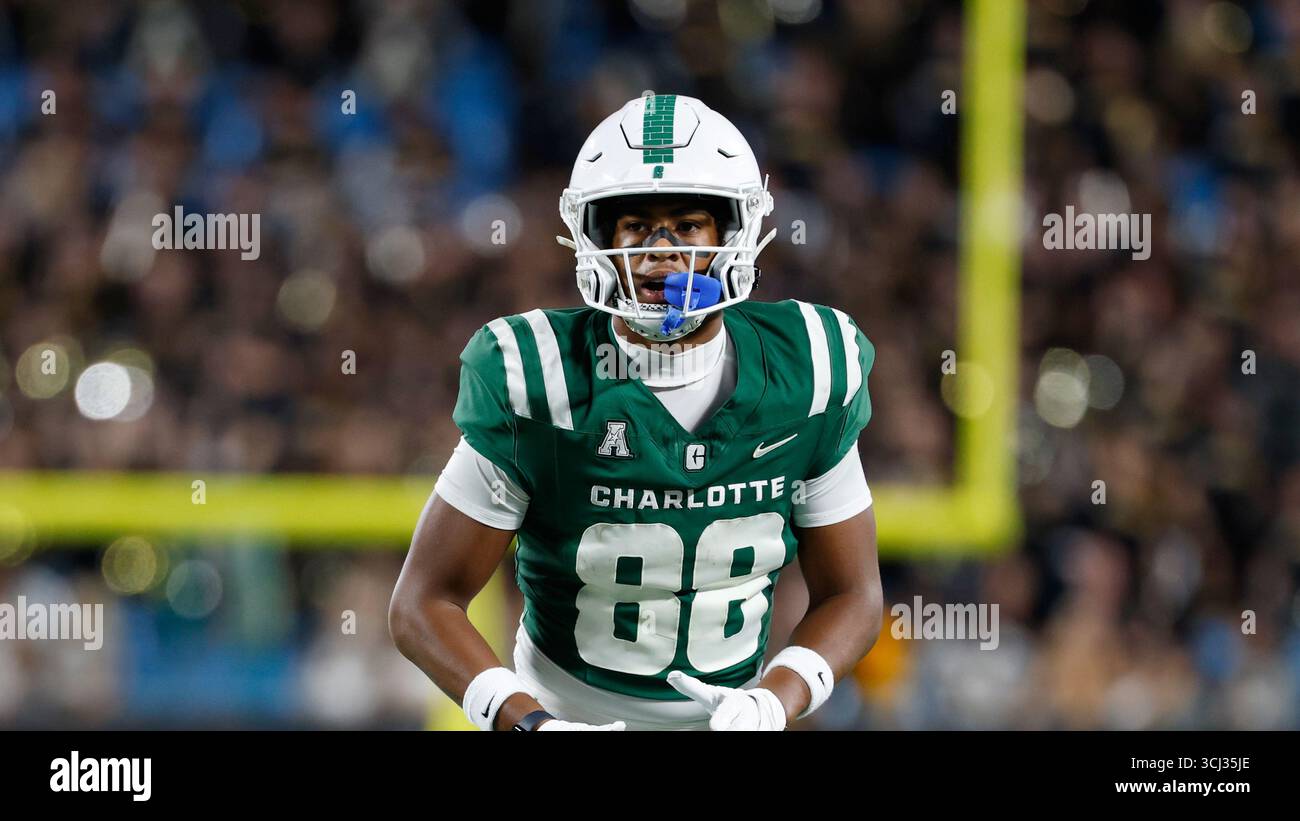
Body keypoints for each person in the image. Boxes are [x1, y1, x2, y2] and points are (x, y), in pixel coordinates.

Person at [390, 94, 883, 731]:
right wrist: (529, 723)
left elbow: (855, 595)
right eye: (635, 227)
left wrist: (773, 701)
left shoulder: (810, 370)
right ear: (597, 239)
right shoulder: (540, 380)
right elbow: (424, 602)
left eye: (686, 224)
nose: (659, 250)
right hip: (568, 714)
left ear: (732, 235)